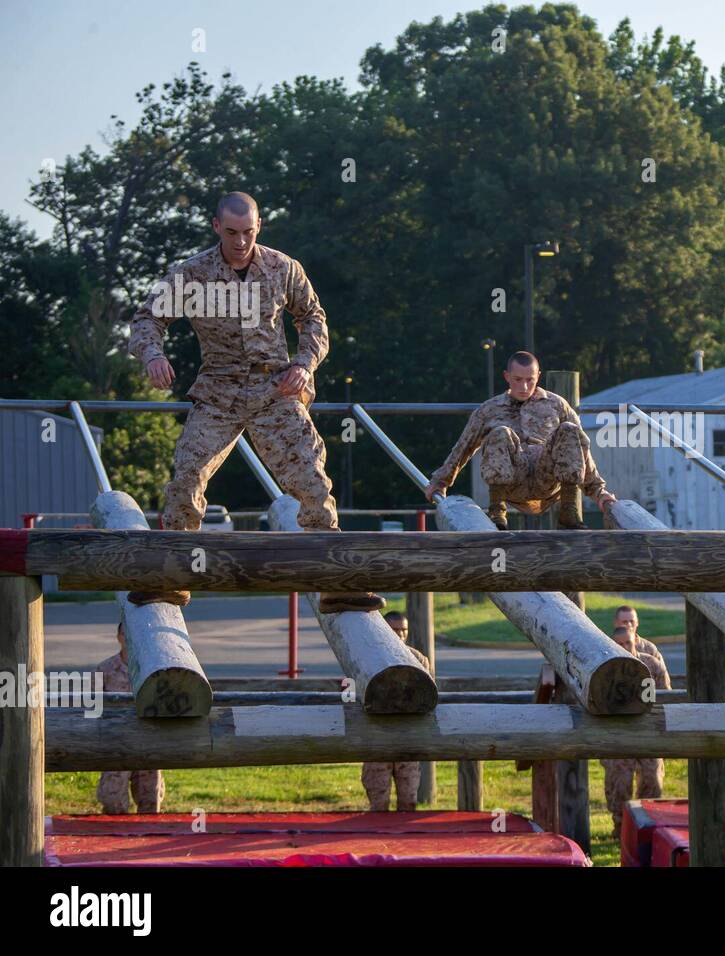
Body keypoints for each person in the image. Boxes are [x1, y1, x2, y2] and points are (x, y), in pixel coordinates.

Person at [128, 191, 381, 613]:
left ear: (259, 225)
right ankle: (173, 575)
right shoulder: (191, 274)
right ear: (216, 227)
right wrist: (153, 355)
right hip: (218, 390)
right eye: (231, 232)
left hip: (273, 389)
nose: (241, 241)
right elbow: (147, 318)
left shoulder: (283, 267)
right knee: (187, 474)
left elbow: (313, 318)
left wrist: (304, 365)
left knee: (310, 477)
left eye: (248, 231)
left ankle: (335, 579)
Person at [424, 351, 616, 530]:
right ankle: (497, 513)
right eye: (517, 380)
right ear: (507, 377)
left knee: (569, 429)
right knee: (500, 433)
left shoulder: (556, 404)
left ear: (538, 376)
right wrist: (440, 481)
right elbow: (463, 446)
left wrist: (599, 492)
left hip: (546, 478)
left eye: (529, 380)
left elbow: (581, 448)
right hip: (512, 481)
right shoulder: (489, 409)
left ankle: (568, 511)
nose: (524, 387)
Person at [601, 625, 671, 831]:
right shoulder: (604, 668)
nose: (624, 647)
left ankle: (647, 827)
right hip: (617, 735)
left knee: (652, 780)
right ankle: (620, 827)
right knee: (619, 784)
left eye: (628, 643)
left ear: (636, 642)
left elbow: (666, 697)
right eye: (619, 644)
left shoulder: (652, 666)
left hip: (648, 733)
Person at [361, 611, 430, 812]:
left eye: (403, 630)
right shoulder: (367, 658)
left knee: (409, 800)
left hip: (408, 739)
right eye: (394, 630)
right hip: (377, 738)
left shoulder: (419, 659)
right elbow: (351, 691)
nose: (400, 634)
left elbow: (429, 695)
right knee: (378, 802)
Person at [95, 620, 165, 814]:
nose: (130, 638)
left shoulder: (153, 668)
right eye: (125, 634)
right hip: (116, 742)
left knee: (150, 800)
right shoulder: (104, 670)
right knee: (113, 801)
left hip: (147, 741)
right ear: (119, 637)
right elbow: (92, 707)